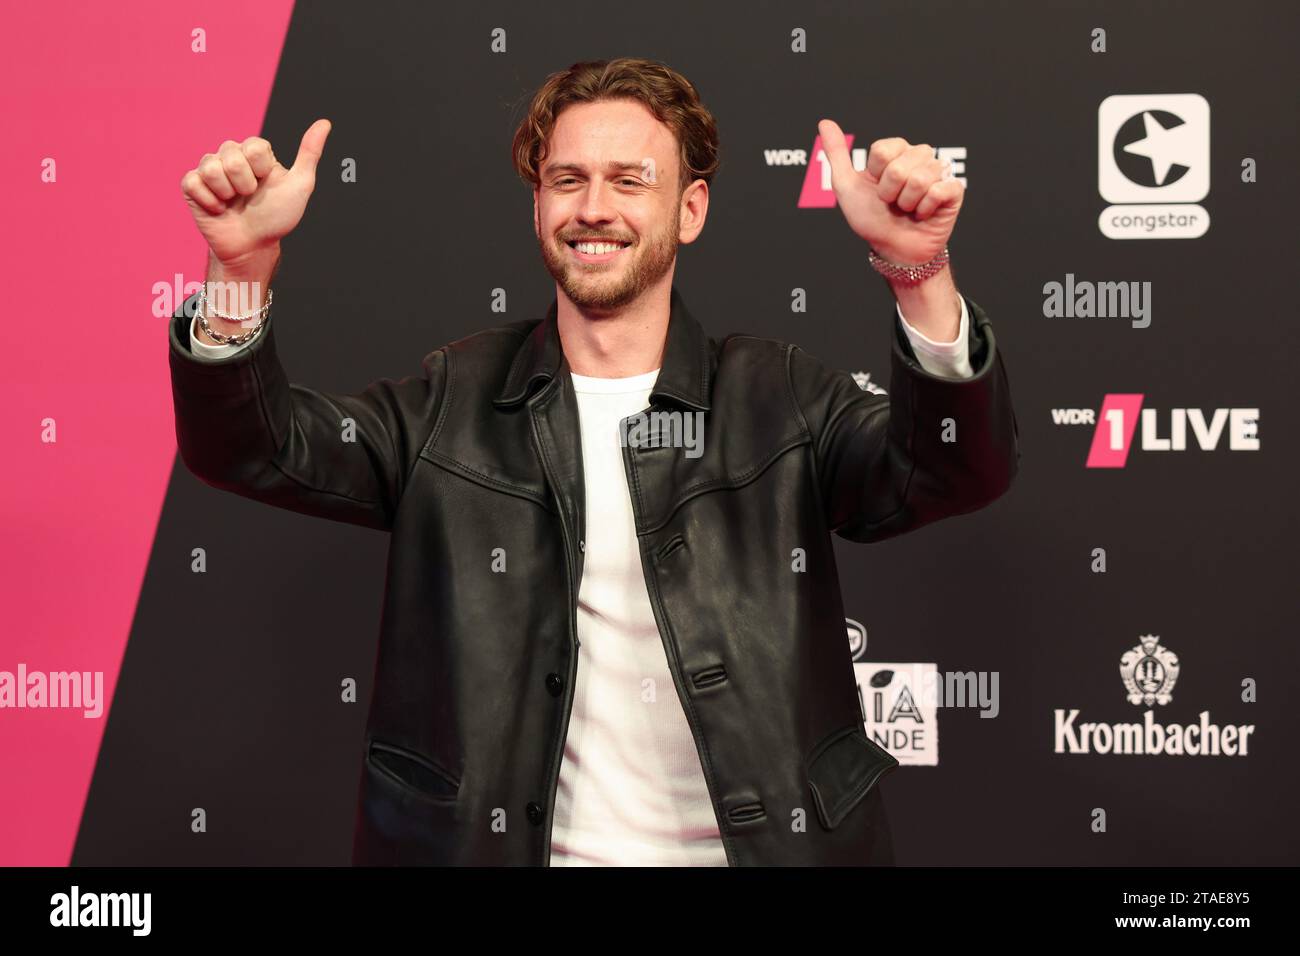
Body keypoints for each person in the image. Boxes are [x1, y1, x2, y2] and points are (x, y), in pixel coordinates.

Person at [169, 57, 1020, 866]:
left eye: (629, 180)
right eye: (567, 180)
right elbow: (252, 449)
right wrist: (239, 271)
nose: (594, 208)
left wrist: (919, 275)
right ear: (537, 207)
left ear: (690, 210)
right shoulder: (453, 397)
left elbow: (953, 470)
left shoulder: (777, 395)